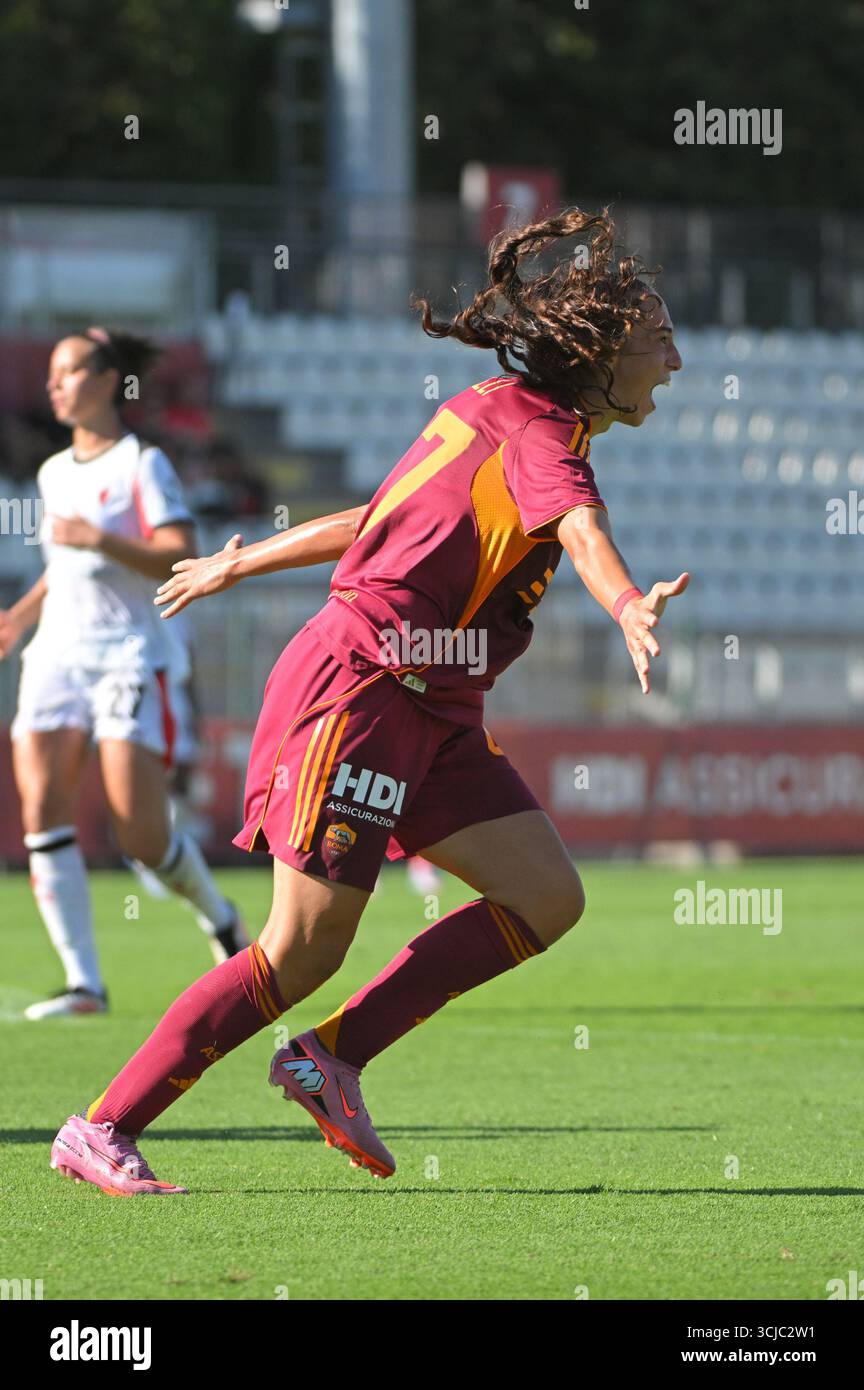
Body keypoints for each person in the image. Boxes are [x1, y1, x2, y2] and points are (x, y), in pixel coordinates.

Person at [49, 207, 688, 1193]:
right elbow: (579, 527)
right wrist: (623, 605)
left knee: (545, 895)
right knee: (300, 947)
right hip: (362, 693)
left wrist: (243, 559)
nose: (674, 361)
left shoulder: (488, 408)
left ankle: (332, 1055)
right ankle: (101, 1125)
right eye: (658, 339)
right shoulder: (546, 443)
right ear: (599, 351)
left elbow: (376, 516)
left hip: (433, 711)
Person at [0, 327, 247, 1021]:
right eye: (51, 372)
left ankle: (221, 917)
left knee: (139, 835)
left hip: (127, 655)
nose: (54, 384)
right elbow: (65, 565)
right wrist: (18, 617)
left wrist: (101, 537)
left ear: (109, 382)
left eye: (69, 370)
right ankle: (85, 985)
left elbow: (179, 553)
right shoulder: (52, 473)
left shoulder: (143, 462)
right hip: (57, 653)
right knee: (41, 808)